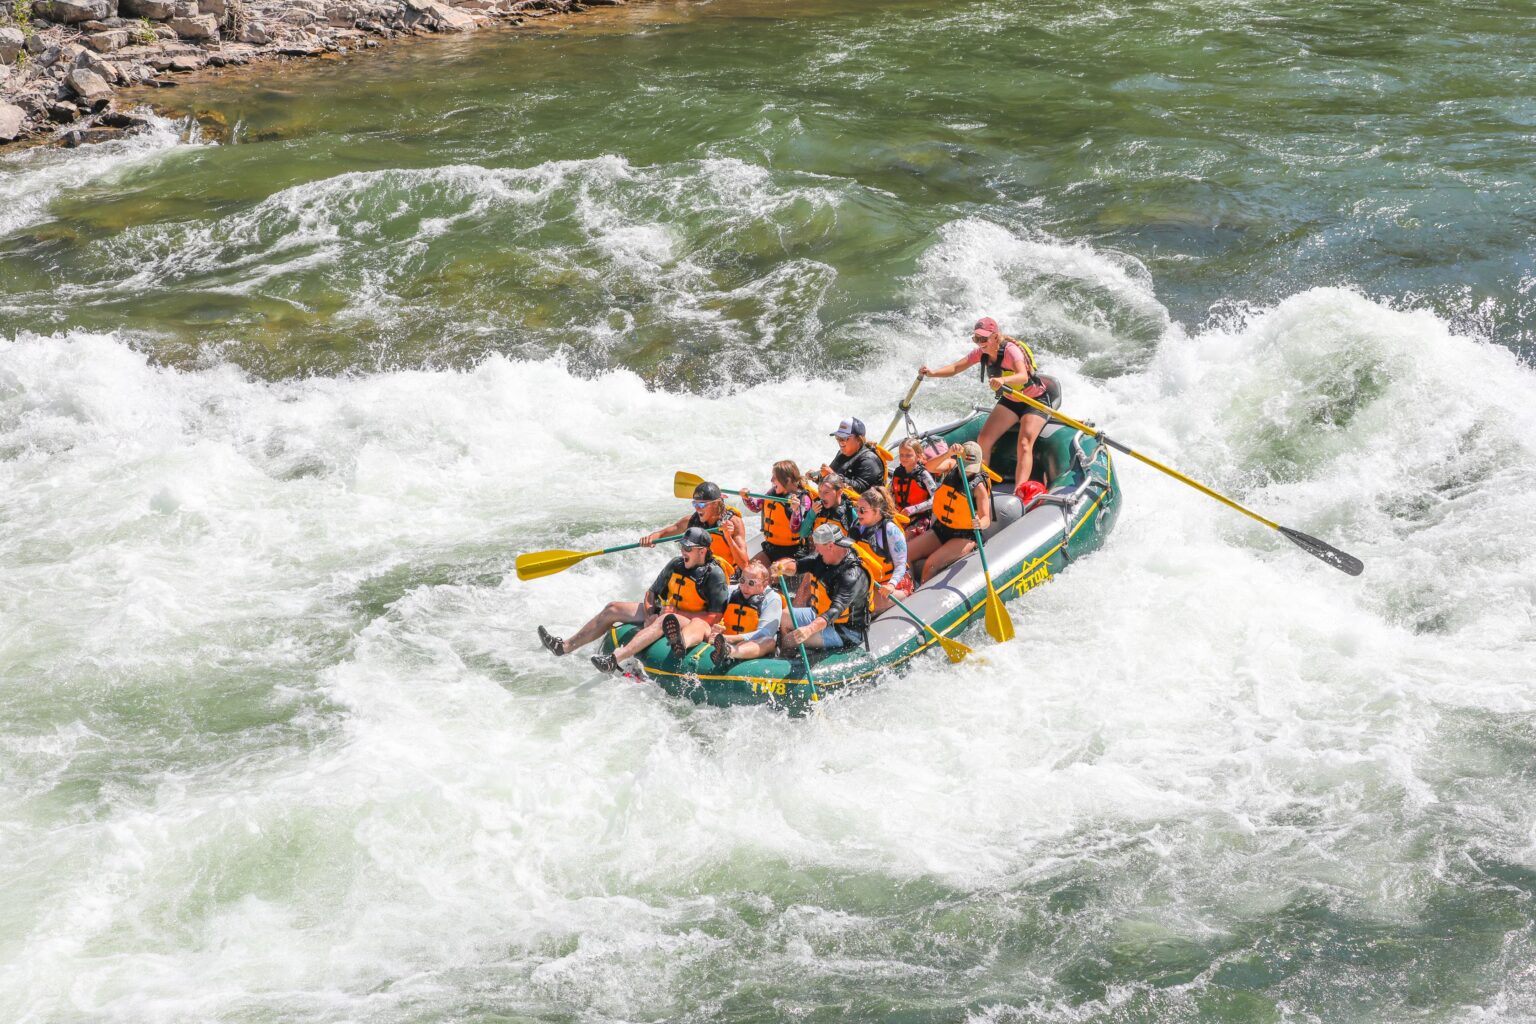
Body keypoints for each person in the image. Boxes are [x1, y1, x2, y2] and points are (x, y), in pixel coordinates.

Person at [917, 315, 1061, 485]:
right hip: (1011, 400)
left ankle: (1019, 491)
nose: (980, 343)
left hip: (1034, 401)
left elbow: (1022, 376)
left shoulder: (1011, 351)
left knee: (1024, 444)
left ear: (995, 336)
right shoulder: (981, 353)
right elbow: (956, 368)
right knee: (984, 440)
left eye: (983, 339)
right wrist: (933, 373)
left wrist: (1003, 380)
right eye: (976, 338)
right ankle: (982, 484)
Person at [567, 527, 729, 674]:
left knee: (666, 618)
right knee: (613, 607)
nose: (682, 551)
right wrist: (650, 613)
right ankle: (566, 646)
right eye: (681, 546)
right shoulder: (676, 564)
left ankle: (615, 658)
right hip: (666, 613)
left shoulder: (714, 575)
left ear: (702, 551)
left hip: (692, 623)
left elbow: (715, 617)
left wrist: (677, 612)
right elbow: (651, 593)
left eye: (687, 548)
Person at [772, 522, 881, 652]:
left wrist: (809, 629)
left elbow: (835, 611)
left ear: (830, 546)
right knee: (784, 616)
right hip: (822, 617)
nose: (816, 551)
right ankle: (790, 652)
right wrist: (782, 567)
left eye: (818, 547)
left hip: (847, 630)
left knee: (790, 639)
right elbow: (798, 566)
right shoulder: (823, 557)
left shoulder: (852, 575)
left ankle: (788, 653)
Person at [905, 440, 991, 583]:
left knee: (931, 564)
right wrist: (948, 453)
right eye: (964, 466)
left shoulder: (979, 487)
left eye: (970, 468)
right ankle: (908, 587)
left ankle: (924, 595)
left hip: (965, 535)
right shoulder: (952, 466)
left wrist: (980, 523)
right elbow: (929, 467)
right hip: (942, 528)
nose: (966, 471)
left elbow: (986, 518)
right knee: (905, 552)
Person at [640, 480, 749, 580]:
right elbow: (663, 533)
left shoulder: (734, 523)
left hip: (728, 577)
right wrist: (652, 537)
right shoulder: (691, 521)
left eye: (701, 504)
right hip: (702, 576)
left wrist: (729, 537)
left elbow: (744, 564)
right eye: (694, 503)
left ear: (715, 503)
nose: (697, 508)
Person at [708, 561, 784, 668]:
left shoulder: (773, 599)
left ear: (764, 584)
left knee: (769, 641)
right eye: (742, 580)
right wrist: (715, 629)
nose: (745, 587)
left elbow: (765, 632)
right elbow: (715, 615)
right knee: (701, 624)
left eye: (751, 583)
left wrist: (730, 638)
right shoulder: (731, 591)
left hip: (753, 645)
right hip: (724, 640)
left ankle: (728, 651)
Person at [740, 460, 815, 566]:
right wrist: (746, 497)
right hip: (771, 547)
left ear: (787, 480)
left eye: (775, 477)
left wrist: (796, 511)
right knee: (748, 571)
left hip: (793, 551)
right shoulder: (772, 492)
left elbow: (796, 529)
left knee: (769, 574)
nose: (771, 480)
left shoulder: (803, 499)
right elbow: (756, 507)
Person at [850, 486, 912, 613]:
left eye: (862, 510)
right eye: (857, 508)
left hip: (891, 585)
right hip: (868, 583)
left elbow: (901, 565)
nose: (858, 513)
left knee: (858, 607)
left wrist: (891, 584)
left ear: (876, 511)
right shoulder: (856, 525)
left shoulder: (890, 530)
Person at [888, 435, 940, 537]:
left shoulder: (923, 475)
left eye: (908, 455)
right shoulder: (897, 472)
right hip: (899, 516)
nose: (904, 458)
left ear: (918, 456)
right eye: (901, 455)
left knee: (903, 537)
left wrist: (913, 509)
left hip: (920, 518)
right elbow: (890, 492)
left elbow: (936, 498)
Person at [819, 417, 887, 493]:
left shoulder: (869, 460)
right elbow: (830, 475)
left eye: (843, 438)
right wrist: (818, 477)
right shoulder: (841, 453)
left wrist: (833, 476)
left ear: (858, 439)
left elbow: (863, 490)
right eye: (837, 437)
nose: (840, 442)